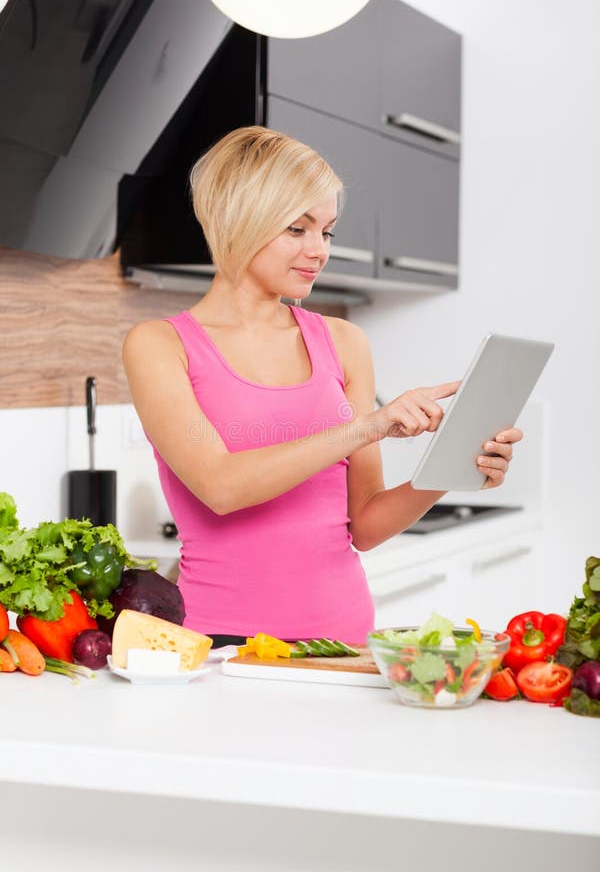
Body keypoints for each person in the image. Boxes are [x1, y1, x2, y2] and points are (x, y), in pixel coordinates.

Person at [122, 126, 522, 647]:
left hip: (344, 642)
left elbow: (367, 524)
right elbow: (221, 488)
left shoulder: (343, 342)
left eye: (327, 231)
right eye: (297, 229)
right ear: (238, 220)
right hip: (220, 648)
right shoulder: (160, 344)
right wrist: (369, 427)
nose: (319, 250)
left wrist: (455, 463)